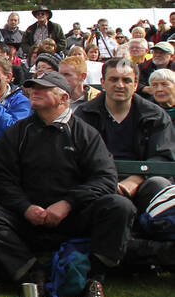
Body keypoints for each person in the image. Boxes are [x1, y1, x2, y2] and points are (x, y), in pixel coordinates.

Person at [0, 71, 131, 297]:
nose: (34, 92)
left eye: (43, 88)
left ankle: (95, 280)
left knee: (119, 207)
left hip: (74, 217)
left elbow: (105, 178)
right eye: (32, 88)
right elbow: (1, 178)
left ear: (64, 97)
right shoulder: (19, 132)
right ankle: (31, 273)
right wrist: (25, 207)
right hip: (27, 218)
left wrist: (68, 203)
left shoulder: (85, 133)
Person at [74, 57, 175, 201]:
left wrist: (136, 179)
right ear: (103, 82)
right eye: (113, 79)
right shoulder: (84, 114)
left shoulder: (155, 115)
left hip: (142, 182)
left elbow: (163, 157)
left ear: (135, 85)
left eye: (126, 80)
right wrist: (104, 182)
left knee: (159, 184)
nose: (120, 85)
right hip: (95, 181)